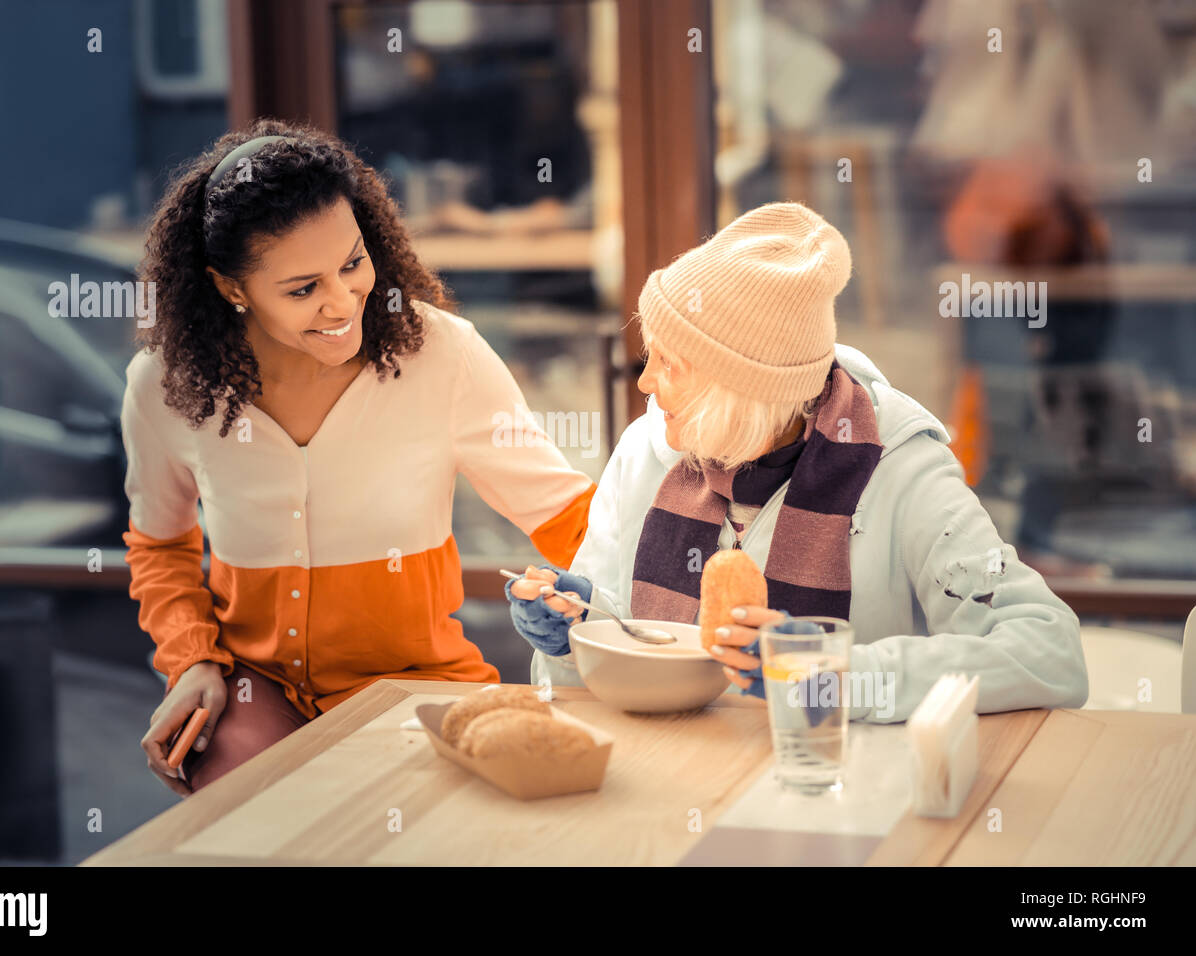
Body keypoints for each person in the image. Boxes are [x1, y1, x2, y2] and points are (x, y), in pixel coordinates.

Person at [125, 120, 596, 795]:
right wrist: (191, 661)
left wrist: (668, 592)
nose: (343, 302)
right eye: (301, 288)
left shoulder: (443, 356)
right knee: (235, 795)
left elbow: (565, 513)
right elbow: (160, 547)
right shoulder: (163, 387)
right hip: (256, 690)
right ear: (232, 289)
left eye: (352, 263)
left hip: (417, 685)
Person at [507, 202, 1088, 722]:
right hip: (664, 789)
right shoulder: (645, 450)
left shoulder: (902, 470)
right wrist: (574, 635)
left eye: (669, 362)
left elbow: (1047, 653)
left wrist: (832, 676)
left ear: (741, 389)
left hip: (843, 798)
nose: (645, 381)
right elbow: (606, 654)